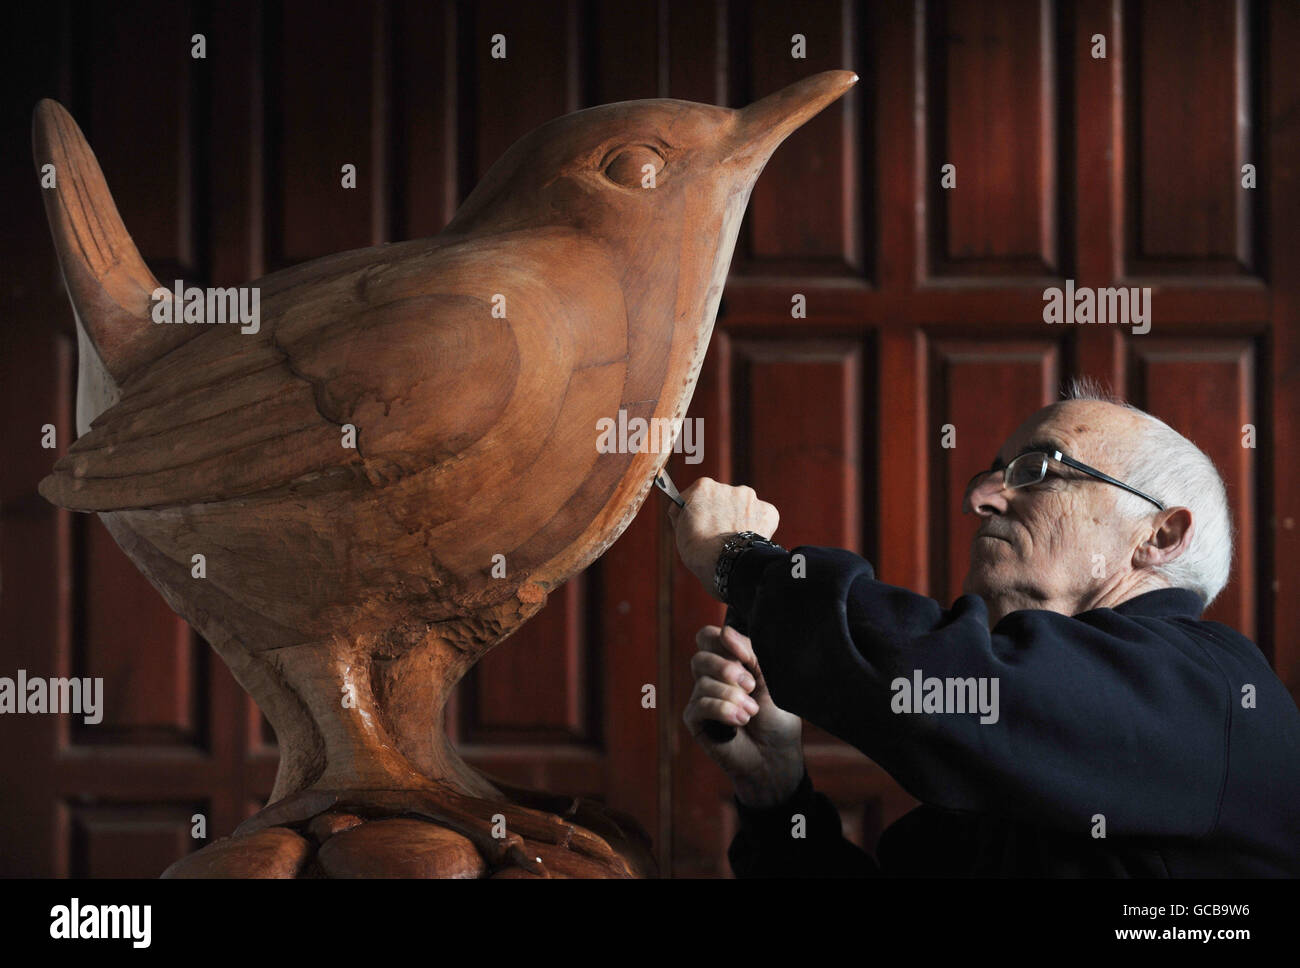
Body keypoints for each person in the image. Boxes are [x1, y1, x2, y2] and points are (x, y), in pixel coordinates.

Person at [669, 386, 1300, 876]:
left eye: (1037, 471)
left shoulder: (1210, 688)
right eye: (991, 477)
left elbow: (945, 673)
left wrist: (741, 559)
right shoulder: (1014, 752)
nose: (982, 500)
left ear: (1159, 535)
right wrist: (778, 794)